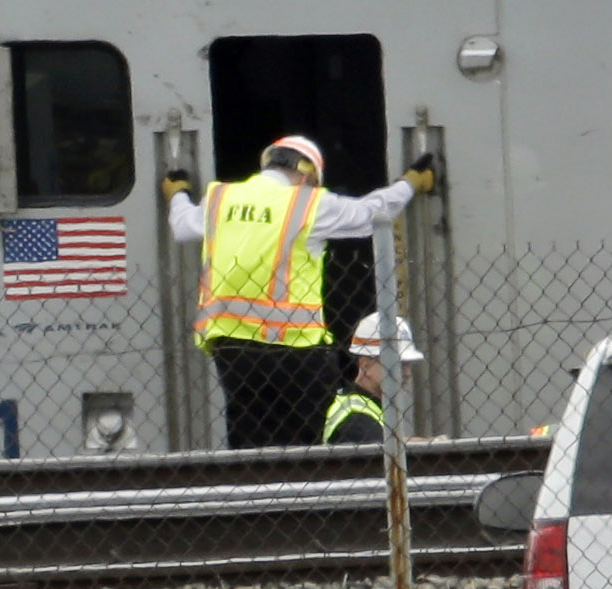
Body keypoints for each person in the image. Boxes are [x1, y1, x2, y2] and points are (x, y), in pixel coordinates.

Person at [163, 135, 437, 448]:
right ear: (306, 172)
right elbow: (370, 214)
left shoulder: (220, 198)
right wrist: (409, 183)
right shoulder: (308, 203)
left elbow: (183, 225)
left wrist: (179, 193)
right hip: (297, 349)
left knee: (250, 440)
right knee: (308, 443)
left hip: (233, 351)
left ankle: (253, 493)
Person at [323, 312, 426, 446]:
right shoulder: (357, 422)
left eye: (407, 364)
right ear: (365, 365)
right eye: (397, 364)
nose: (406, 373)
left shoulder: (367, 409)